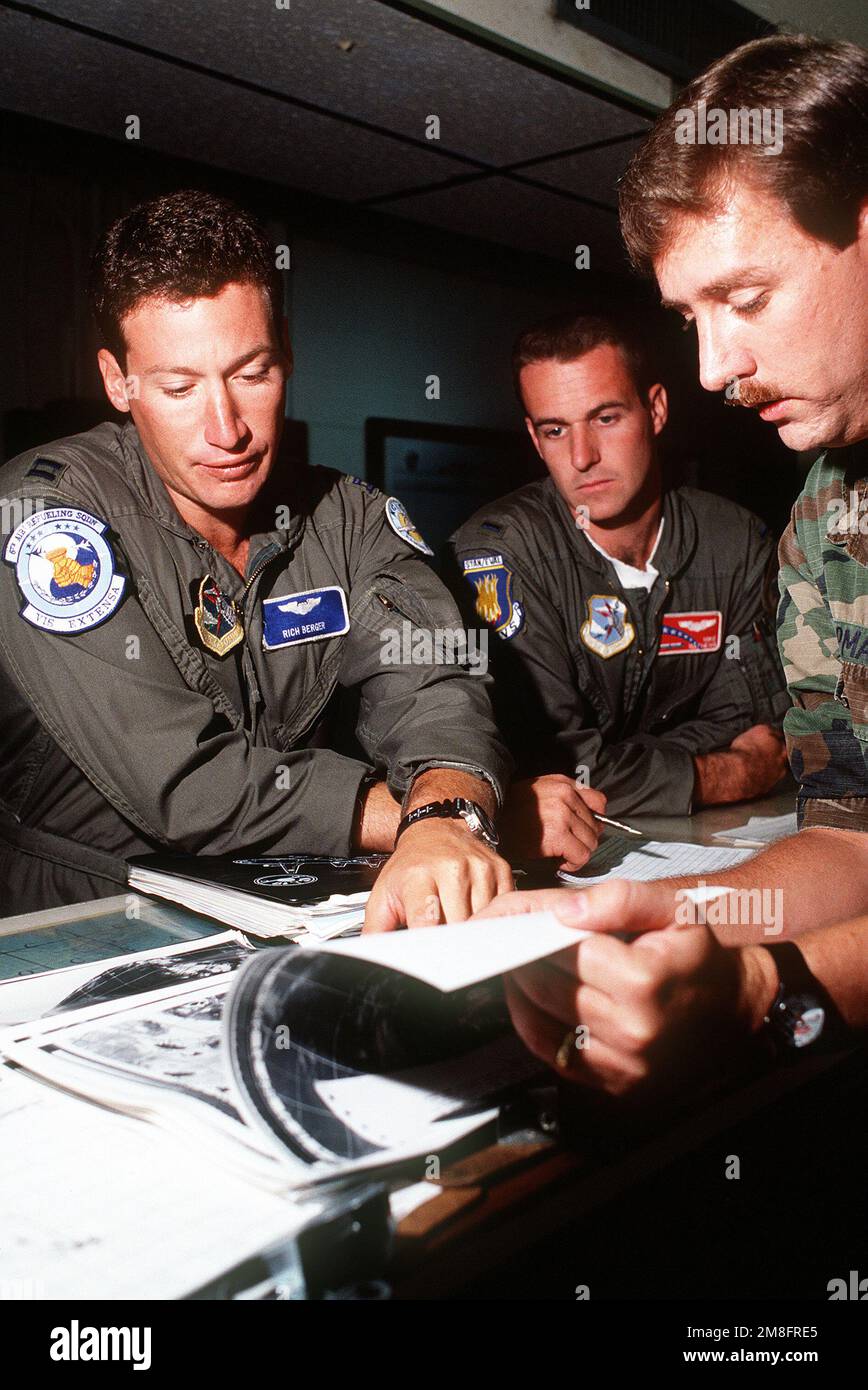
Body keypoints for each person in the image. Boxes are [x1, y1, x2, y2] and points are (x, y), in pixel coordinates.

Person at [477, 34, 868, 1093]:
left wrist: (764, 993)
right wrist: (670, 914)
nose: (714, 370)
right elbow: (851, 840)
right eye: (691, 319)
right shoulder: (823, 523)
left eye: (744, 299)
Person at [0, 189, 532, 928]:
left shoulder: (347, 515)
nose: (227, 430)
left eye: (252, 374)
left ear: (286, 349)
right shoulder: (48, 520)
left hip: (277, 905)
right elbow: (183, 784)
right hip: (76, 927)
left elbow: (435, 681)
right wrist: (427, 819)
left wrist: (450, 807)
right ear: (118, 381)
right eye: (180, 387)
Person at [452, 312, 789, 868]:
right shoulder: (500, 554)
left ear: (655, 409)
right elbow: (555, 763)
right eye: (556, 430)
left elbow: (757, 728)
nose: (582, 456)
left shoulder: (737, 544)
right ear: (535, 439)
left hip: (714, 849)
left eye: (605, 418)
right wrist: (723, 771)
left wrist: (631, 765)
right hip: (557, 867)